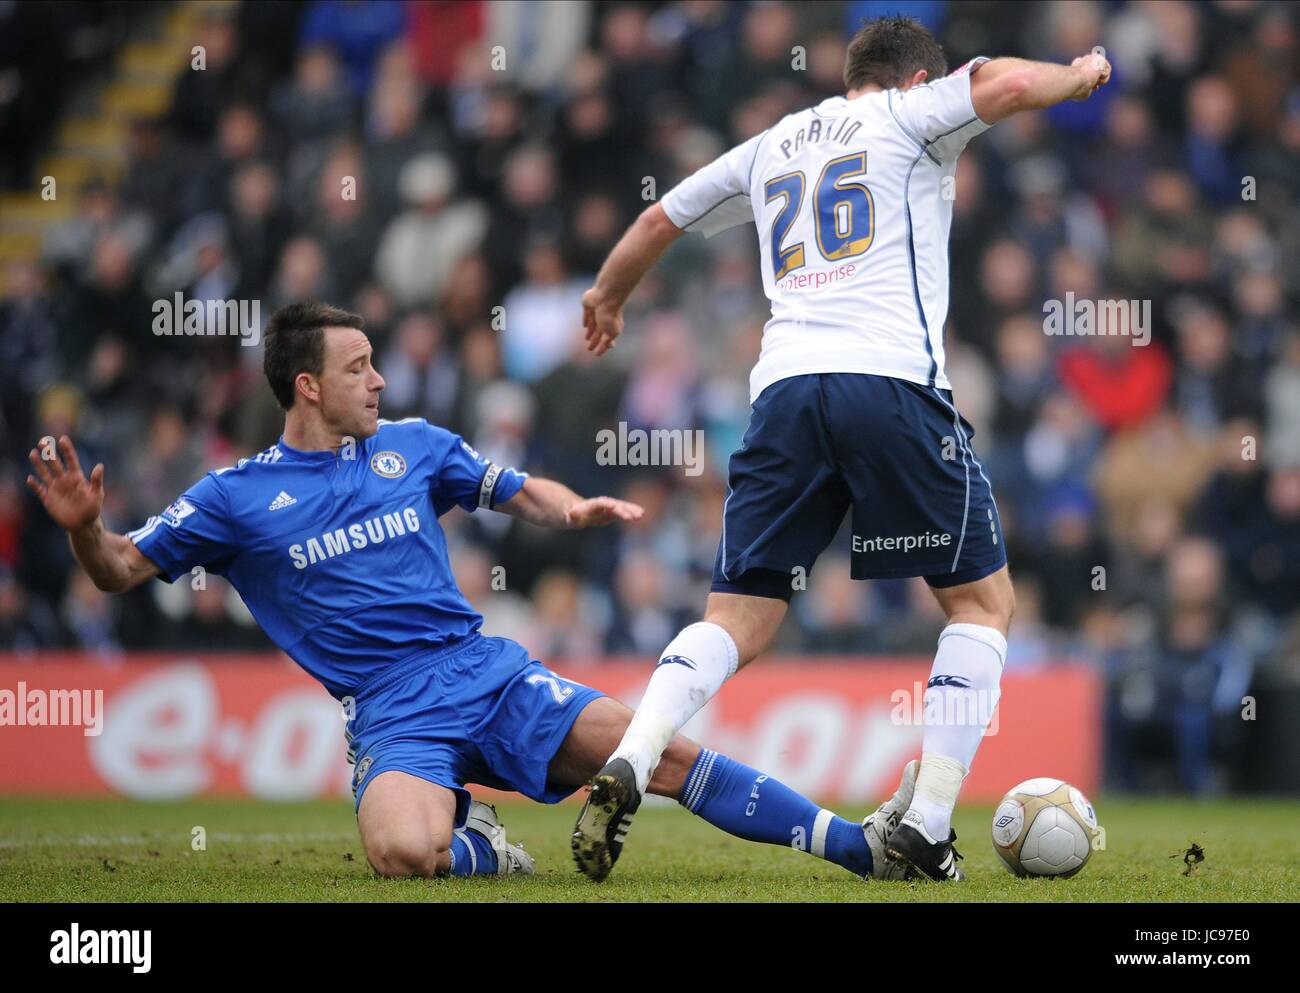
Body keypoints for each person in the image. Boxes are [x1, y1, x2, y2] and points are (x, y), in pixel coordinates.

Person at [27, 300, 917, 881]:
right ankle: (481, 844)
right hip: (389, 709)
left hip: (481, 669)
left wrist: (572, 511)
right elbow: (118, 568)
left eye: (376, 363)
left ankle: (860, 845)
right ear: (307, 386)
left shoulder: (413, 443)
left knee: (653, 753)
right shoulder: (233, 497)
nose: (377, 379)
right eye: (358, 367)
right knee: (403, 853)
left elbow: (519, 488)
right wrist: (79, 524)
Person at [575, 15, 1112, 882]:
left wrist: (606, 296)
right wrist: (1079, 70)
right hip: (888, 382)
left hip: (782, 393)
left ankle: (634, 753)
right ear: (914, 82)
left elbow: (656, 219)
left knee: (737, 619)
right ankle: (928, 825)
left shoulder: (771, 143)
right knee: (981, 605)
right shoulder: (909, 117)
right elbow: (1009, 84)